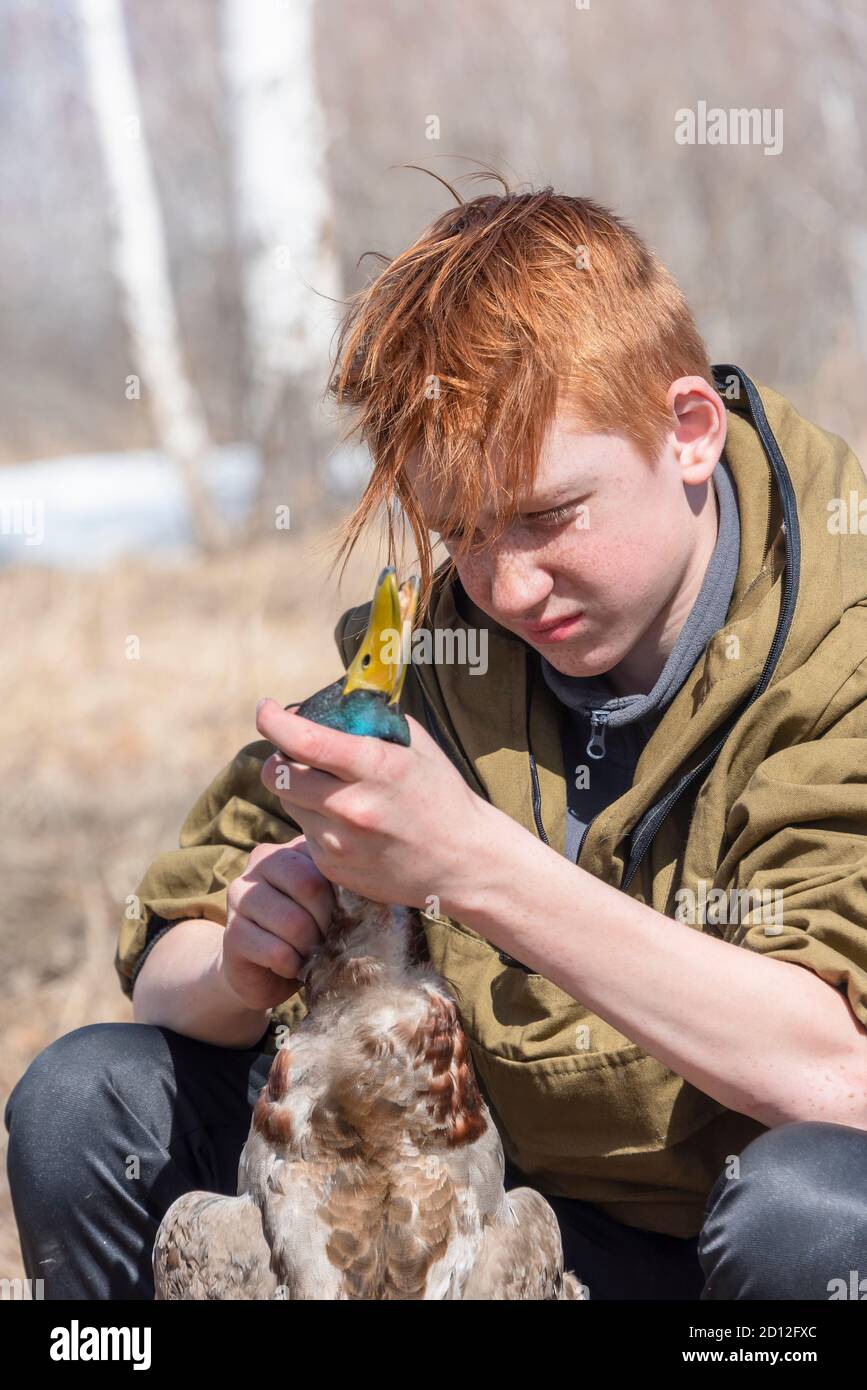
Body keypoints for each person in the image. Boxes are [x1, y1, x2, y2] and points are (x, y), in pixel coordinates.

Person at [7, 189, 867, 1301]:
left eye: (550, 514)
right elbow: (165, 969)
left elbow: (837, 1069)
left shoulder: (838, 649)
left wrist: (467, 862)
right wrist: (241, 955)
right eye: (461, 528)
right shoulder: (428, 654)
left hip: (714, 1258)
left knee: (817, 1220)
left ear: (689, 430)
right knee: (88, 1102)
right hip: (474, 1236)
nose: (507, 585)